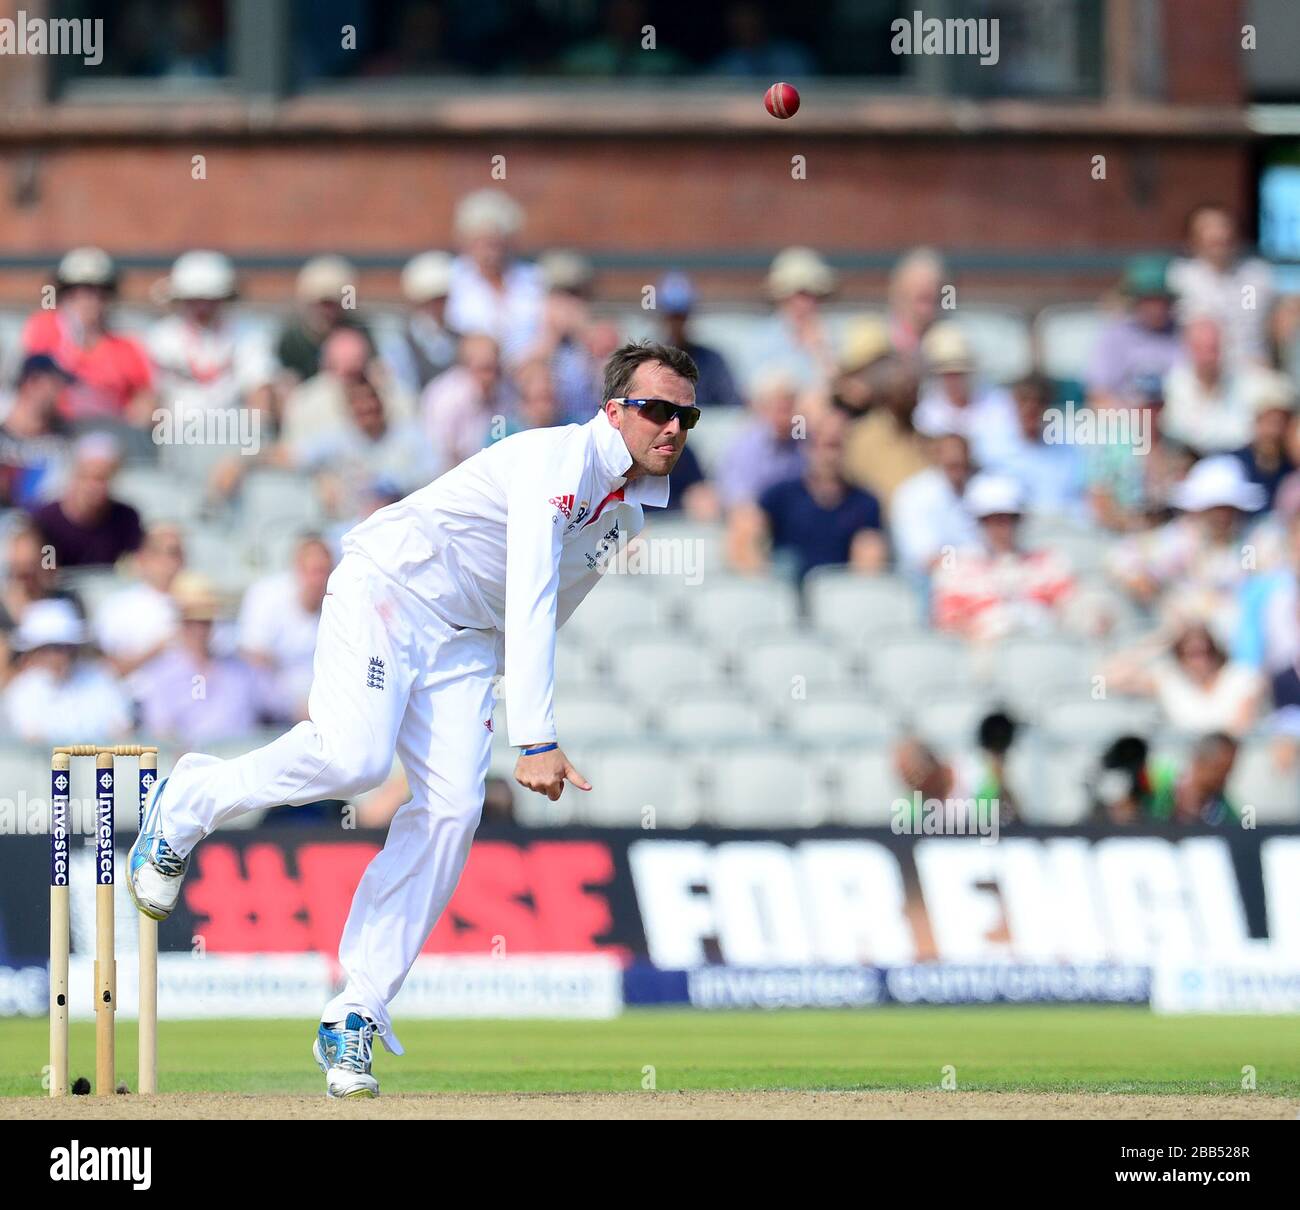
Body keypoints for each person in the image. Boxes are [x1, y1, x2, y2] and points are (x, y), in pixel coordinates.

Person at [127, 341, 695, 1098]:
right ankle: (188, 801)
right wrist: (537, 735)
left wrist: (496, 706)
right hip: (393, 587)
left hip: (468, 644)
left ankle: (355, 1011)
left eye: (685, 414)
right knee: (354, 762)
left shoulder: (629, 516)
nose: (673, 427)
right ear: (613, 409)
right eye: (657, 409)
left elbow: (551, 609)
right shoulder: (555, 462)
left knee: (455, 808)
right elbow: (528, 584)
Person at [727, 409, 885, 584]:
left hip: (836, 596)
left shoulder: (865, 502)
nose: (830, 456)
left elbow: (869, 557)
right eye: (824, 445)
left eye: (837, 445)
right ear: (809, 446)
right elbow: (744, 534)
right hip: (788, 592)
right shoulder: (781, 494)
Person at [21, 248, 155, 426]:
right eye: (76, 290)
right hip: (54, 435)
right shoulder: (43, 330)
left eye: (98, 291)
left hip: (108, 438)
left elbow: (145, 402)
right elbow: (27, 390)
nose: (88, 299)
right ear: (63, 294)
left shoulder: (127, 349)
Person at [139, 572, 259, 745]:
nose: (199, 629)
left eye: (205, 621)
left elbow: (281, 703)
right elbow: (161, 733)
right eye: (191, 621)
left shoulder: (240, 670)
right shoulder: (161, 675)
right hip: (188, 767)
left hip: (239, 762)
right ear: (179, 622)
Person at [3, 597, 132, 744]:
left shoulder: (102, 681)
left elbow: (121, 734)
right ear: (34, 652)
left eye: (61, 647)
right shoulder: (22, 692)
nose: (55, 656)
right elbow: (32, 745)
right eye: (47, 649)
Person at [1168, 203, 1273, 369]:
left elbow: (1266, 320)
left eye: (1223, 226)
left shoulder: (1256, 276)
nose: (1219, 235)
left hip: (1250, 368)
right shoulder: (1179, 278)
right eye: (1208, 228)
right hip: (1196, 374)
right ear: (1193, 238)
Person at [28, 432, 144, 567]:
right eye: (88, 477)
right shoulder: (45, 519)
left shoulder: (126, 518)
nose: (95, 487)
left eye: (104, 478)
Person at [656, 273, 743, 409]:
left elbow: (732, 406)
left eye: (682, 316)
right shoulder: (649, 362)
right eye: (672, 316)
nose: (677, 323)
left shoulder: (713, 362)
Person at [381, 251, 458, 398]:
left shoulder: (458, 338)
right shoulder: (400, 343)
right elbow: (403, 389)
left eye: (443, 299)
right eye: (433, 300)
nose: (439, 306)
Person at [0, 354, 73, 509]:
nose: (62, 394)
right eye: (57, 385)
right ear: (32, 383)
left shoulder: (60, 446)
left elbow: (49, 500)